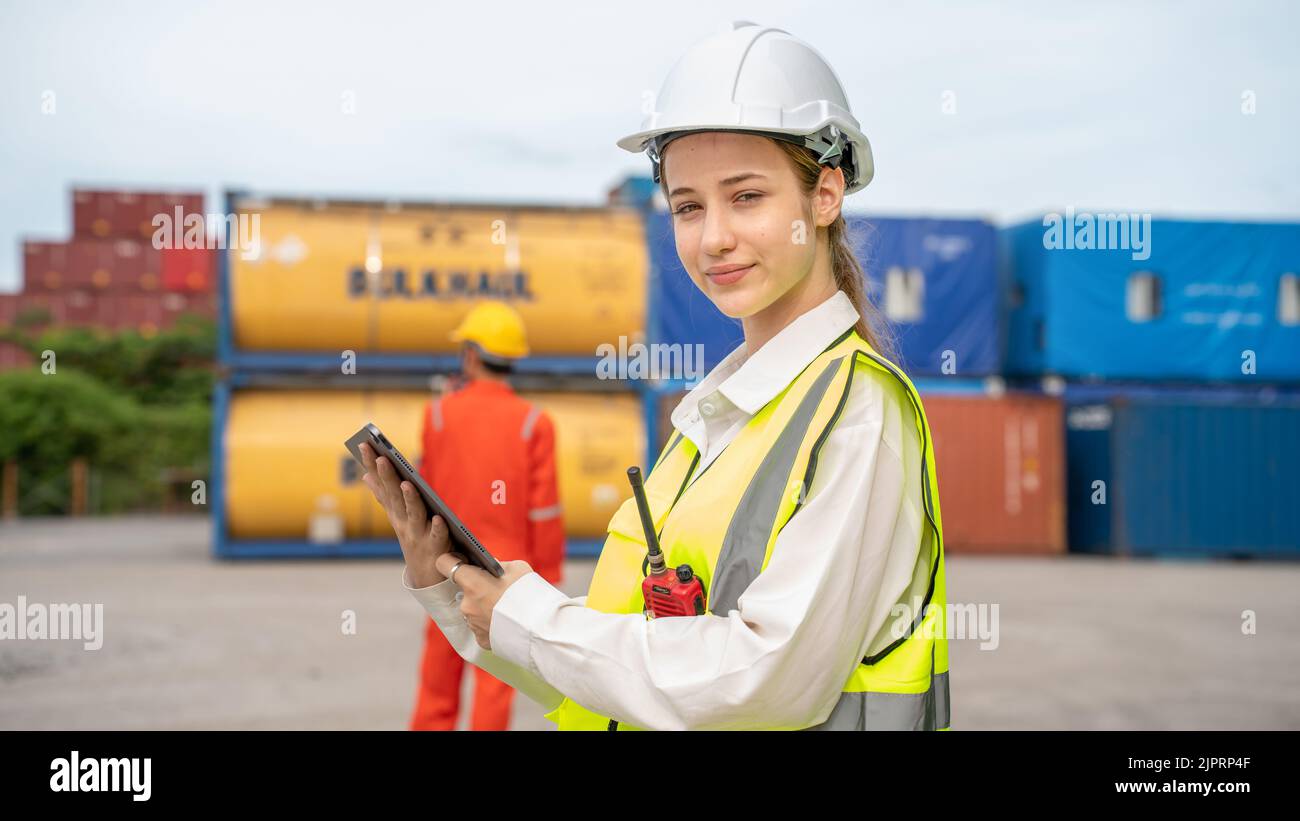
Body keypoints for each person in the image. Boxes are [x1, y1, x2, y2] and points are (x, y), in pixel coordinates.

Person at [360, 21, 949, 731]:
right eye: (688, 205)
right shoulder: (714, 423)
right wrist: (455, 590)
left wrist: (535, 618)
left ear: (825, 195)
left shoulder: (859, 414)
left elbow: (766, 680)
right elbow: (618, 679)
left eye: (747, 196)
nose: (712, 238)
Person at [404, 300, 565, 730]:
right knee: (495, 681)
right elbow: (544, 511)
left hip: (446, 567)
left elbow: (422, 498)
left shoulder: (437, 415)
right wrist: (546, 577)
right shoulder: (534, 423)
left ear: (471, 355)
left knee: (438, 677)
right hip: (505, 574)